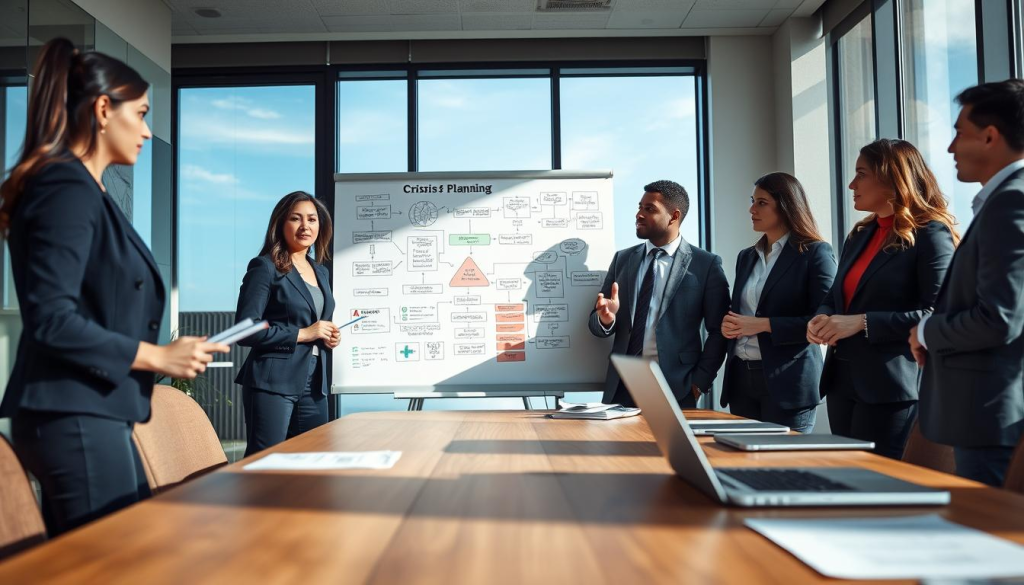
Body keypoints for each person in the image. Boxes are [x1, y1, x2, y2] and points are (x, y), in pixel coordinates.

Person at [0, 38, 228, 536]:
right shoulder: (63, 188)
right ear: (104, 109)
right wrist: (155, 357)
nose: (148, 130)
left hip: (93, 410)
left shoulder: (88, 192)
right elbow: (53, 322)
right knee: (112, 561)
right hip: (72, 412)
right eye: (142, 113)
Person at [808, 139, 957, 459]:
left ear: (892, 178)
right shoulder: (859, 235)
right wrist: (821, 318)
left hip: (890, 387)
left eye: (861, 174)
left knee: (878, 485)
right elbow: (836, 297)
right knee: (849, 479)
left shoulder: (930, 233)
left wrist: (862, 323)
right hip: (841, 381)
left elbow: (939, 313)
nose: (851, 184)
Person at [911, 79, 1024, 487]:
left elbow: (999, 319)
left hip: (990, 418)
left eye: (959, 133)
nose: (950, 148)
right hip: (982, 414)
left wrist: (926, 330)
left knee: (990, 539)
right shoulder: (1002, 201)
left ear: (991, 136)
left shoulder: (1012, 202)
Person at [589, 180, 729, 408]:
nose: (638, 214)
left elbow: (720, 331)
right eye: (639, 207)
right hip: (622, 387)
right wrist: (606, 320)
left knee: (670, 446)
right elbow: (595, 324)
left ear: (674, 216)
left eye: (649, 209)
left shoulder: (705, 265)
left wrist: (698, 384)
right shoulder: (623, 260)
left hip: (676, 388)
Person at [720, 172, 836, 433]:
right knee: (744, 468)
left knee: (783, 469)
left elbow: (823, 322)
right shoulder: (747, 257)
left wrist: (762, 325)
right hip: (741, 381)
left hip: (788, 383)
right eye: (753, 201)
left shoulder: (815, 253)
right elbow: (743, 313)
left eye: (762, 203)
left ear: (786, 206)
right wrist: (731, 326)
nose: (752, 209)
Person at [235, 191, 338, 456]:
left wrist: (326, 335)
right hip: (272, 381)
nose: (306, 226)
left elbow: (313, 322)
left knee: (314, 459)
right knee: (266, 462)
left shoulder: (321, 272)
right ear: (281, 224)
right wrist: (303, 334)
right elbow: (246, 329)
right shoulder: (264, 267)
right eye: (296, 218)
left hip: (315, 381)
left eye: (312, 219)